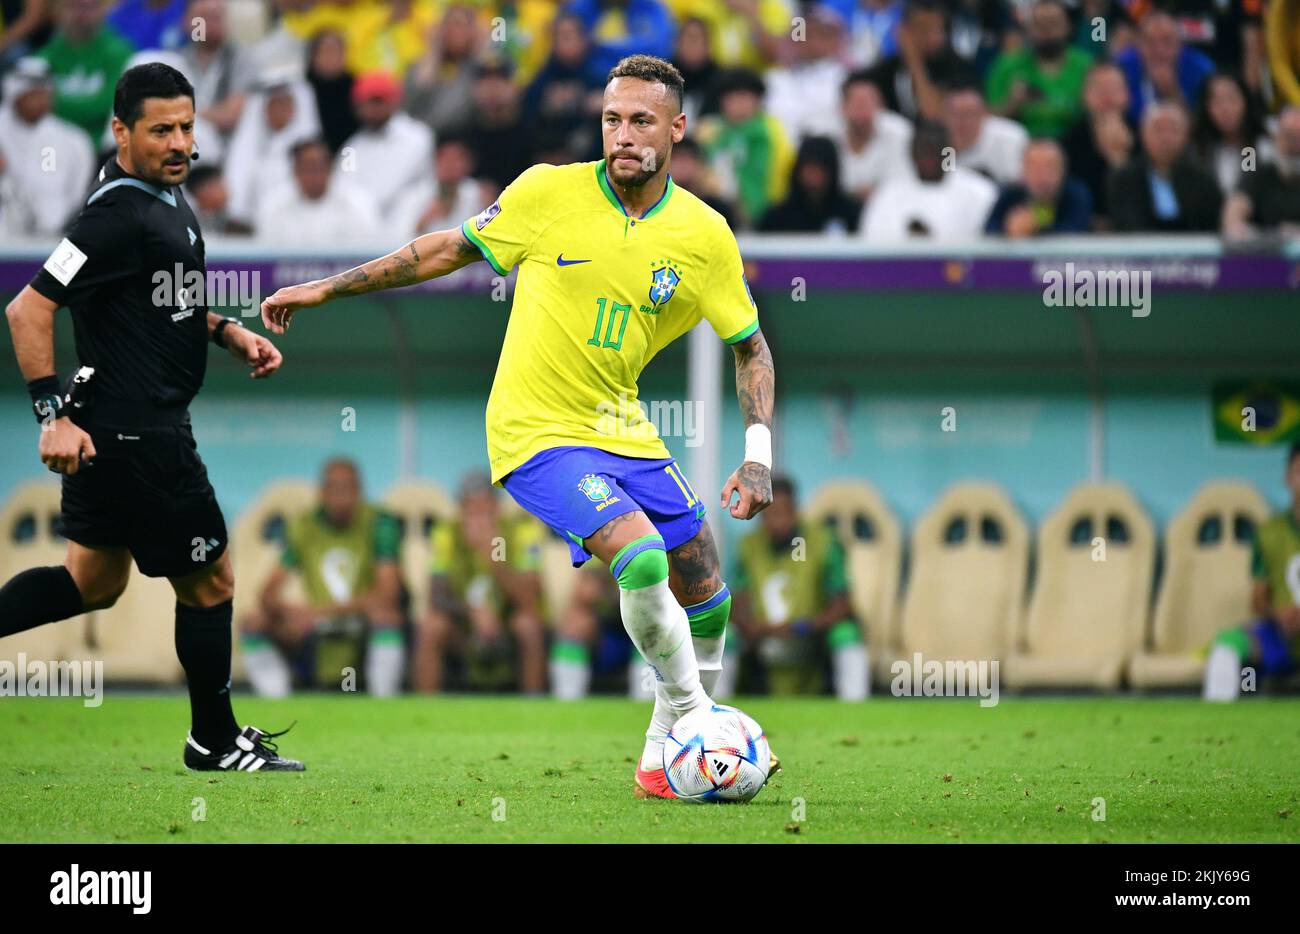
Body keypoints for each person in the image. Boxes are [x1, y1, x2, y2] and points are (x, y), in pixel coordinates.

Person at [261, 54, 779, 800]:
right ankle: (702, 726)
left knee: (705, 579)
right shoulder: (546, 192)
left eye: (640, 121)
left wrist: (757, 457)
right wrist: (325, 288)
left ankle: (662, 752)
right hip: (533, 431)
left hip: (622, 426)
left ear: (677, 128)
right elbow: (444, 248)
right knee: (639, 560)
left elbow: (750, 347)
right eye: (611, 119)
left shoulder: (705, 236)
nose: (623, 135)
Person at [0, 63, 300, 772]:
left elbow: (158, 300)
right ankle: (215, 741)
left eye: (187, 127)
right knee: (212, 581)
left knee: (93, 582)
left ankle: (214, 739)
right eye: (160, 129)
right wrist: (51, 414)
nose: (178, 142)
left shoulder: (162, 202)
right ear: (120, 131)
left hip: (113, 429)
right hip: (139, 433)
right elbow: (28, 307)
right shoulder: (115, 215)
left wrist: (226, 330)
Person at [240, 458, 404, 698]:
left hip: (359, 618)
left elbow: (387, 594)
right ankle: (277, 702)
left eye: (347, 489)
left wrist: (319, 613)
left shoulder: (380, 522)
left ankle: (383, 702)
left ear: (359, 491)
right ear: (322, 492)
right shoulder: (304, 526)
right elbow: (268, 592)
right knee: (253, 621)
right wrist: (287, 612)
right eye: (334, 489)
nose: (341, 498)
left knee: (387, 617)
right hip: (312, 623)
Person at [731, 476, 868, 699]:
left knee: (847, 634)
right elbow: (738, 602)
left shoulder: (822, 541)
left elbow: (843, 605)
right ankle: (715, 713)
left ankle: (854, 710)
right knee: (724, 637)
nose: (776, 522)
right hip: (761, 638)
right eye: (769, 514)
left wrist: (802, 626)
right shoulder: (749, 546)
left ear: (795, 511)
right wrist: (751, 626)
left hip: (812, 634)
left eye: (782, 513)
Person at [414, 473, 547, 694]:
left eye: (486, 512)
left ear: (497, 509)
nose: (480, 522)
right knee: (432, 625)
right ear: (461, 512)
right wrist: (473, 613)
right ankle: (424, 709)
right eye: (472, 513)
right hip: (464, 628)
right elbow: (436, 597)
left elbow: (529, 600)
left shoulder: (522, 532)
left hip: (506, 624)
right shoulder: (446, 533)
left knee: (528, 625)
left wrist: (495, 562)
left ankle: (534, 708)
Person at [1204, 442, 1300, 701]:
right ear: (1288, 477)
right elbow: (1257, 599)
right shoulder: (1269, 532)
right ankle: (1213, 732)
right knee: (1228, 645)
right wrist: (1278, 615)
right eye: (1299, 471)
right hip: (1282, 638)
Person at [860, 119, 998, 240]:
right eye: (922, 151)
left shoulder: (979, 192)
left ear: (949, 152)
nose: (928, 158)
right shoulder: (889, 192)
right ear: (911, 153)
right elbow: (872, 241)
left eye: (934, 151)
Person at [1108, 101, 1222, 232]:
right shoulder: (1123, 179)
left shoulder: (1202, 180)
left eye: (1173, 130)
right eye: (1158, 129)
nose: (1165, 138)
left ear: (1186, 136)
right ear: (1143, 134)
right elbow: (1126, 226)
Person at [984, 0, 1092, 138]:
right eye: (1039, 25)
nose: (1047, 31)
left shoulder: (1086, 66)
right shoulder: (1006, 66)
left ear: (1068, 27)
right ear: (1028, 29)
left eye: (1053, 24)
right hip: (1022, 144)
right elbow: (988, 121)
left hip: (1075, 144)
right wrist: (1012, 104)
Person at [984, 138, 1093, 236]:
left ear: (1062, 170)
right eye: (1034, 167)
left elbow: (1075, 231)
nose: (1042, 176)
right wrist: (1009, 229)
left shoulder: (1076, 194)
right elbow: (989, 230)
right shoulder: (1011, 194)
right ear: (1023, 170)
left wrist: (1034, 228)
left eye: (1049, 167)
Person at [1221, 105, 1300, 240]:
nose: (1295, 145)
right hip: (1266, 254)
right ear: (1276, 136)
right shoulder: (1257, 171)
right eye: (1289, 136)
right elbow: (1234, 212)